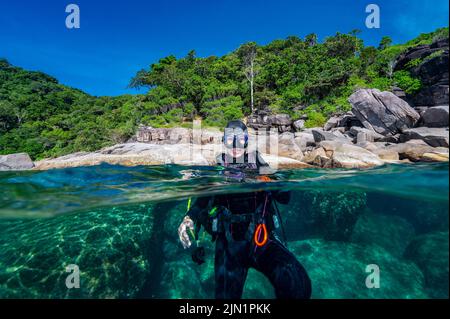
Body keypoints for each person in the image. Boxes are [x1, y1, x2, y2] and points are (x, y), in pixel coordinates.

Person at [178, 120, 311, 299]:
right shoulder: (217, 169)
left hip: (261, 239)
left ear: (247, 141)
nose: (235, 145)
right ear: (224, 142)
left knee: (297, 285)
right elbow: (202, 201)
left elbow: (284, 198)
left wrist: (275, 181)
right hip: (228, 245)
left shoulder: (259, 164)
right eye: (230, 139)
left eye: (240, 140)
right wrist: (189, 218)